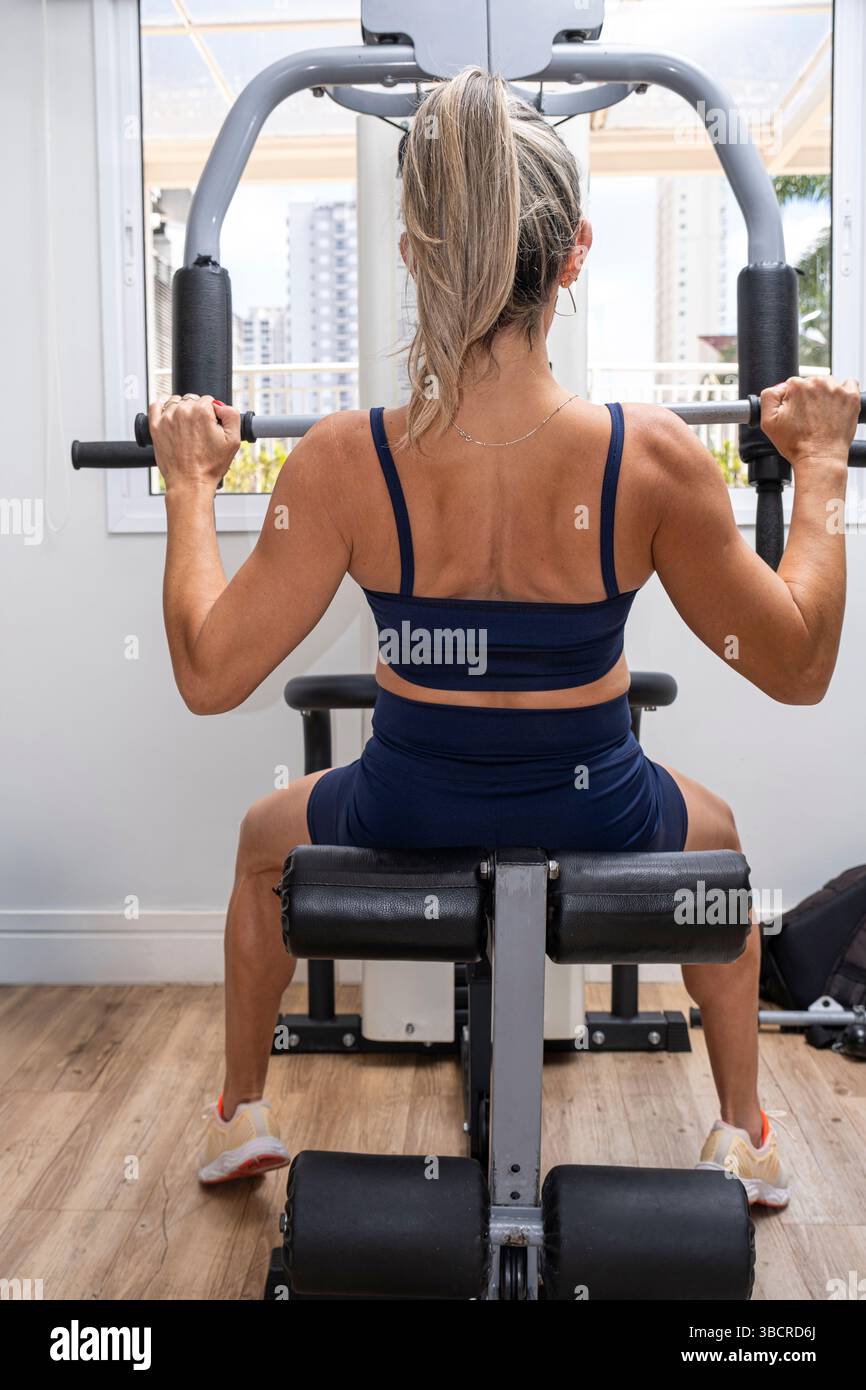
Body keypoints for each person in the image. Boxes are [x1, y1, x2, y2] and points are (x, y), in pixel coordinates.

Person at [150, 68, 860, 1199]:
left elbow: (203, 672)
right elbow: (798, 665)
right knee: (717, 842)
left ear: (412, 251)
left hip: (404, 801)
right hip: (597, 802)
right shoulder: (652, 456)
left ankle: (241, 1114)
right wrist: (818, 468)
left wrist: (191, 484)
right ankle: (744, 1132)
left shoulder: (344, 459)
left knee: (257, 837)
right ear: (573, 254)